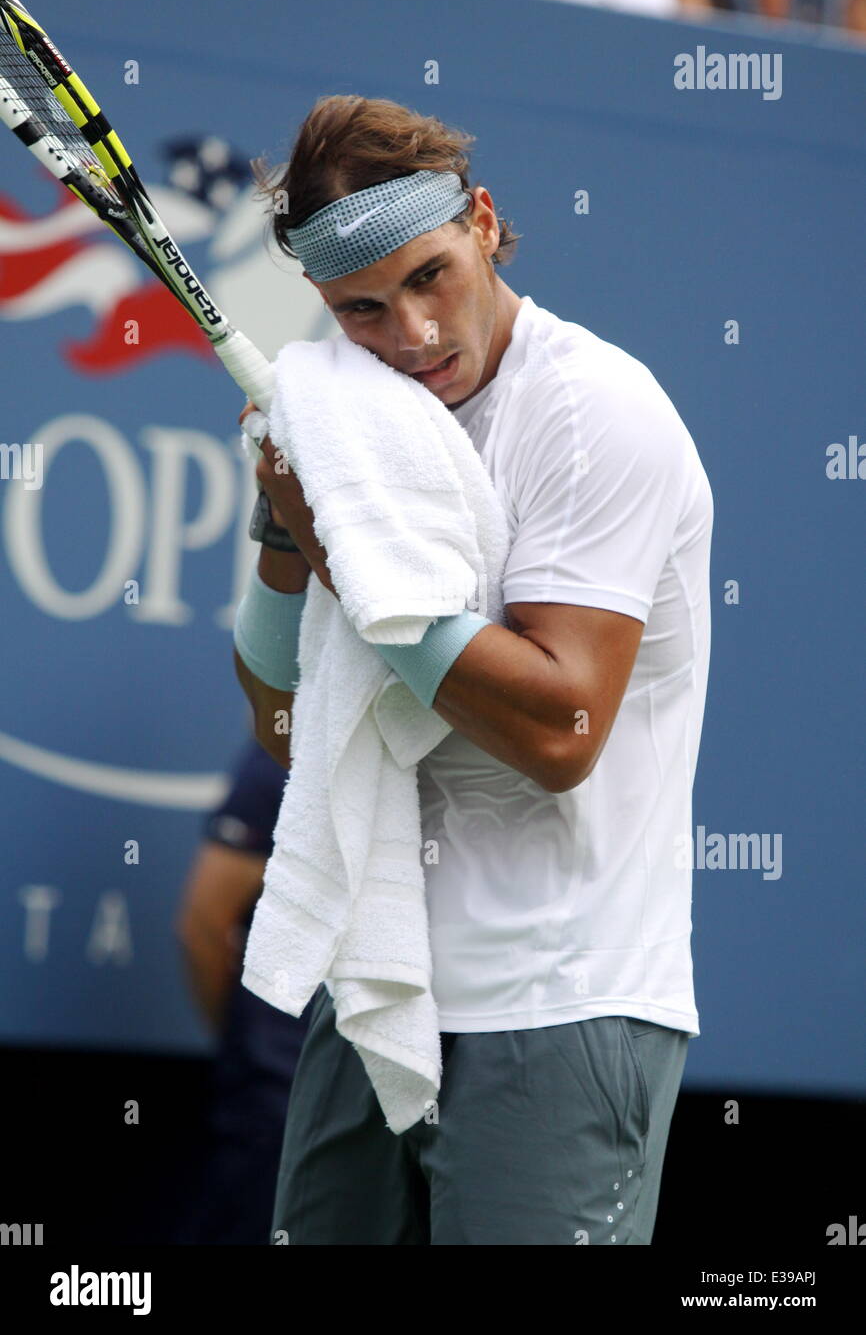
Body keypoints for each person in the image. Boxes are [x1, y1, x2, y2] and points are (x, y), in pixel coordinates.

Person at [232, 94, 713, 1245]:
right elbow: (285, 729)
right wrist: (286, 536)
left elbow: (560, 731)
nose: (408, 334)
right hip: (376, 996)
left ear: (483, 223)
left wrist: (351, 558)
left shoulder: (596, 413)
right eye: (360, 308)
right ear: (319, 306)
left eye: (428, 277)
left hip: (563, 1004)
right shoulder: (345, 424)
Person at [174, 737, 314, 1244]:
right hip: (278, 1101)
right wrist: (247, 1049)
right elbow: (204, 925)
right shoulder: (289, 750)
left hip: (379, 1101)